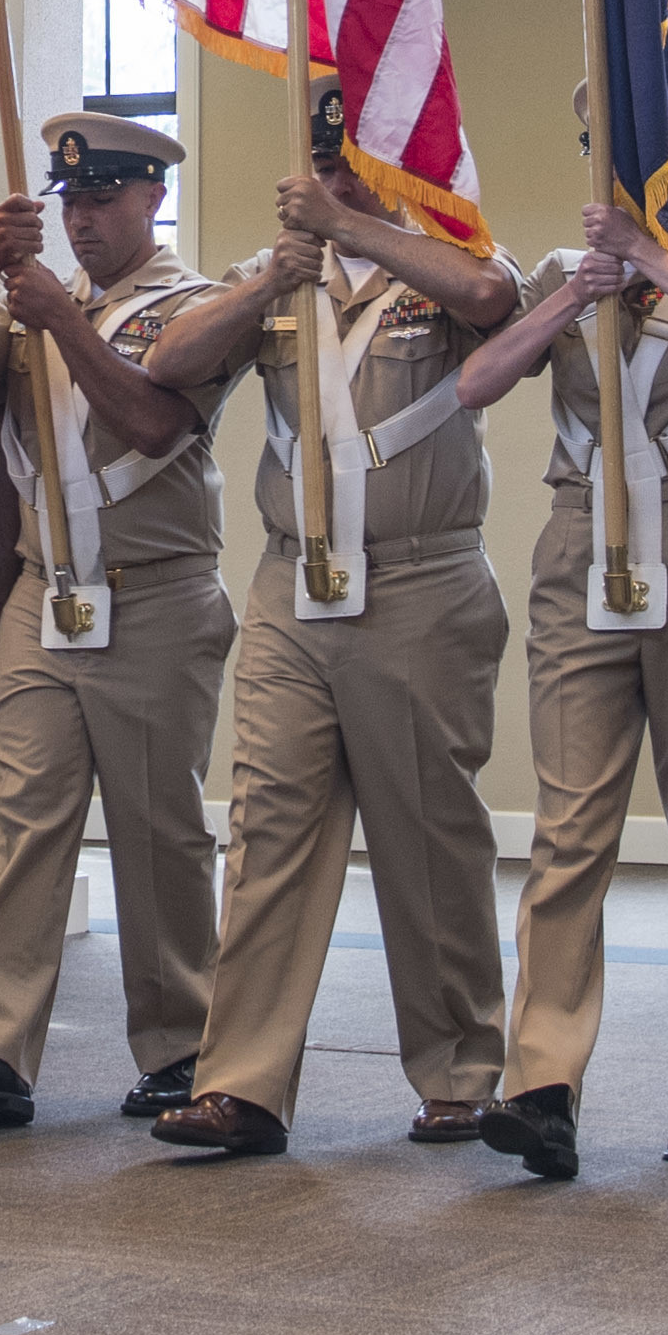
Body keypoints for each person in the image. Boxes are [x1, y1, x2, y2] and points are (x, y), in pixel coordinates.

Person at [153, 78, 526, 1161]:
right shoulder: (280, 273)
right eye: (316, 165)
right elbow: (170, 364)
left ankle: (458, 1072)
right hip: (292, 585)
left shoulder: (442, 256)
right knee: (267, 832)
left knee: (427, 835)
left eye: (345, 164)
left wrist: (355, 229)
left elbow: (493, 298)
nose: (325, 180)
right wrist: (274, 274)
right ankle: (241, 1082)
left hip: (419, 584)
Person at [450, 90, 668, 1184]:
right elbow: (476, 381)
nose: (620, 166)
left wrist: (649, 256)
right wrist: (576, 293)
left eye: (643, 150)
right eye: (604, 146)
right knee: (569, 825)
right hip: (580, 537)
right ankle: (540, 1083)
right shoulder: (561, 271)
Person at [0, 116, 252, 1130]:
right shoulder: (26, 308)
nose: (83, 219)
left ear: (152, 197)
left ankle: (179, 1045)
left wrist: (62, 320)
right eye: (71, 203)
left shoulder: (194, 306)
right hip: (41, 591)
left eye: (103, 198)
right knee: (28, 819)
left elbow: (151, 422)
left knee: (156, 828)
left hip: (155, 593)